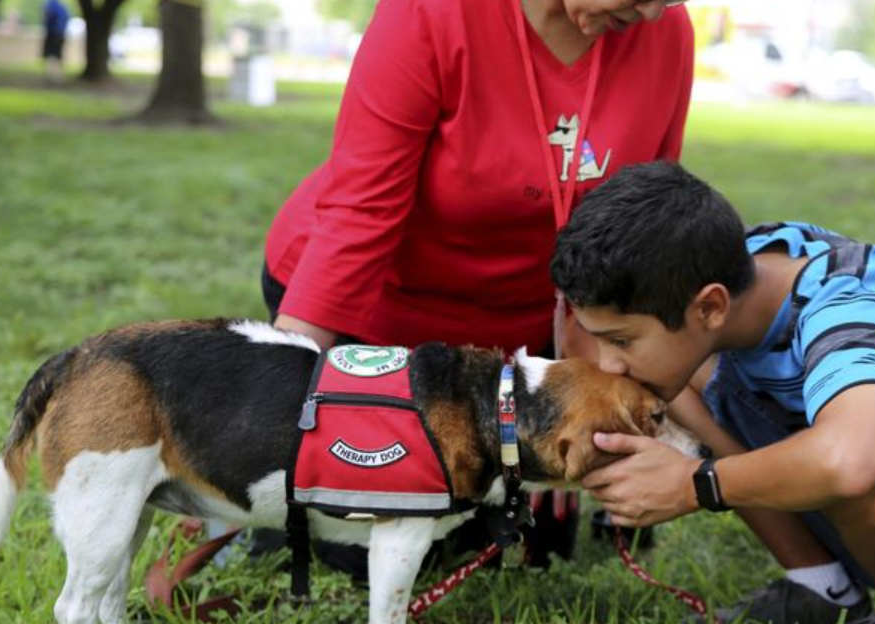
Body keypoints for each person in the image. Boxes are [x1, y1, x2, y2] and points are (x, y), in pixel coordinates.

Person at [258, 0, 694, 573]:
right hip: (381, 316)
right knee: (367, 546)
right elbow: (359, 215)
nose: (652, 10)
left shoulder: (666, 30)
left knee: (516, 550)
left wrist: (586, 380)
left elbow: (640, 227)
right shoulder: (432, 13)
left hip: (520, 341)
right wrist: (273, 405)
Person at [550, 161, 875, 624]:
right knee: (673, 376)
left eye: (620, 339)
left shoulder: (845, 313)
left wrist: (693, 484)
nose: (607, 362)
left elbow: (854, 463)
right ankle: (824, 587)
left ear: (710, 306)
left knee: (867, 454)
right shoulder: (738, 268)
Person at [42, 0, 69, 84]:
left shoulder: (50, 4)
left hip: (53, 33)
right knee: (58, 55)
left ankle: (52, 75)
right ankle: (59, 75)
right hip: (61, 33)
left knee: (51, 55)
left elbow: (48, 17)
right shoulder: (62, 6)